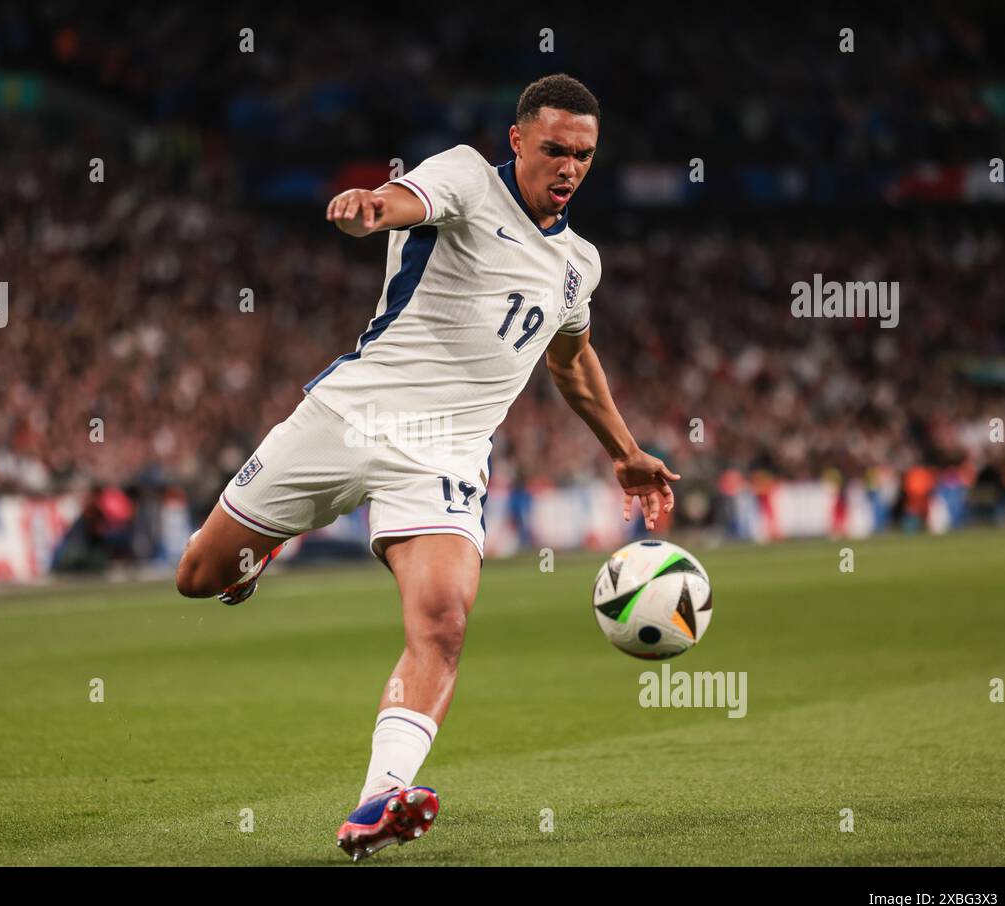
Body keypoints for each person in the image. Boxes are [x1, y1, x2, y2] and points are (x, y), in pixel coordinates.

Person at [175, 74, 679, 861]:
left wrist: (627, 453)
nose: (569, 165)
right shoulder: (467, 178)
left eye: (582, 153)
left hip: (444, 456)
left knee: (443, 621)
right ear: (519, 141)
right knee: (199, 575)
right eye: (554, 148)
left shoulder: (579, 262)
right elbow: (402, 200)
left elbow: (571, 361)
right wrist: (367, 206)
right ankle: (259, 552)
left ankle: (378, 799)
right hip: (351, 417)